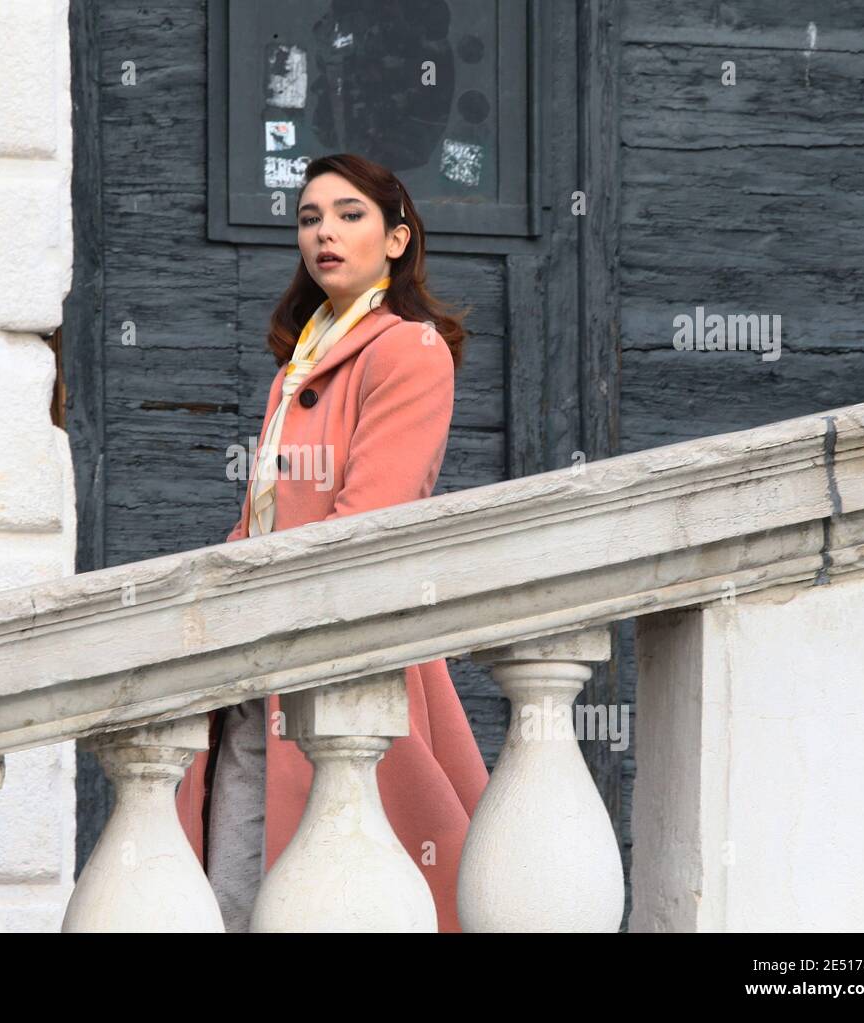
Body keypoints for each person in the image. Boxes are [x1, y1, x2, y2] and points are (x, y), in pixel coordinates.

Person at [175, 153, 489, 933]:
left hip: (341, 647)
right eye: (310, 217)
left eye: (350, 215)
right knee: (236, 877)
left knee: (350, 882)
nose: (325, 232)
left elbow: (365, 518)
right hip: (258, 661)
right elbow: (265, 518)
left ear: (395, 239)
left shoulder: (408, 350)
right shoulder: (300, 359)